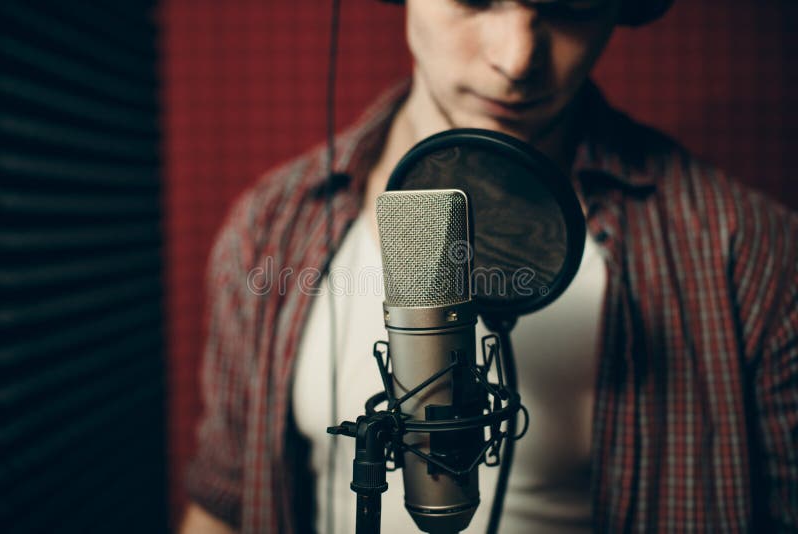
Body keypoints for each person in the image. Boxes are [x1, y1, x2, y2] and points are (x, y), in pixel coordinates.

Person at [180, 1, 798, 532]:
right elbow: (222, 507)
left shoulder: (747, 252)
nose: (517, 59)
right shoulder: (270, 227)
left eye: (571, 7)